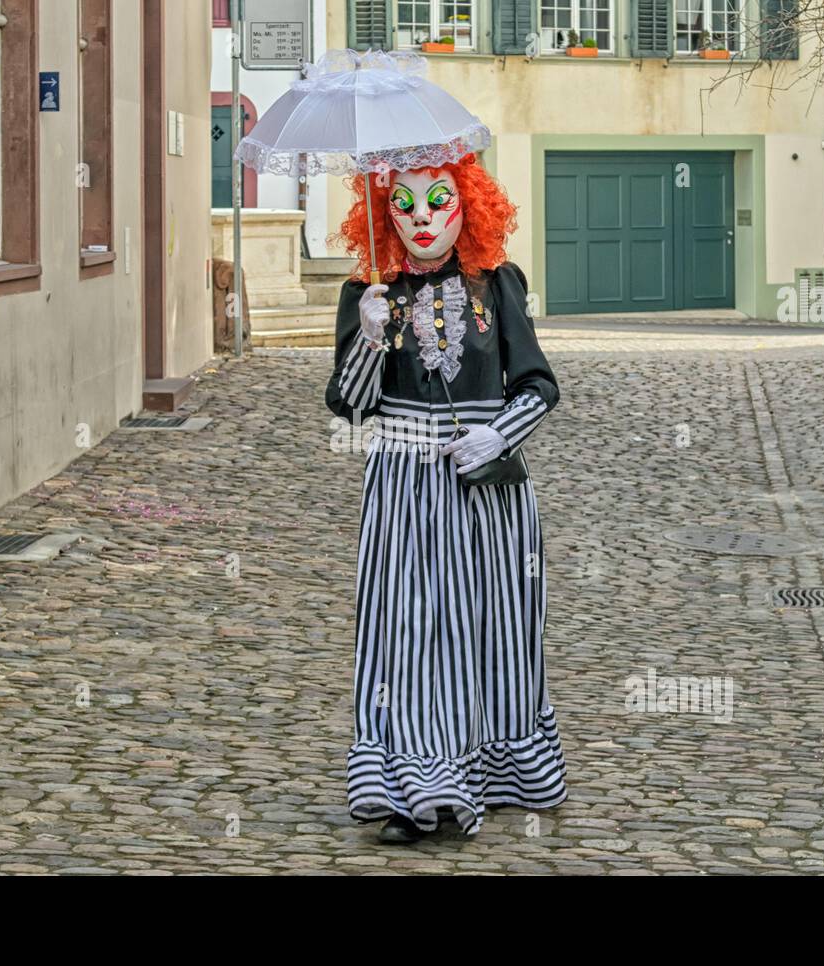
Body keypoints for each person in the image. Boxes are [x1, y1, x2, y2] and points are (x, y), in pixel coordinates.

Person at [326, 153, 567, 843]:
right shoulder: (369, 293)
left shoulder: (497, 286)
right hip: (403, 487)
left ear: (468, 205)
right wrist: (369, 339)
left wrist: (498, 436)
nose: (422, 217)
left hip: (487, 495)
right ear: (383, 215)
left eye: (437, 200)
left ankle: (490, 770)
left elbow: (539, 385)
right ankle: (418, 785)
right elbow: (351, 406)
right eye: (404, 205)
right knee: (408, 630)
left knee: (488, 628)